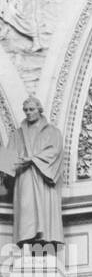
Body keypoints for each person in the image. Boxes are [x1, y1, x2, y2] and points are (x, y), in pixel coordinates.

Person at [8, 95, 64, 247]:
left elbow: (55, 152)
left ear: (39, 110)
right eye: (25, 110)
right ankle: (27, 242)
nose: (28, 113)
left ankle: (43, 243)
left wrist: (33, 159)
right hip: (24, 177)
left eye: (31, 109)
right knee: (26, 210)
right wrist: (14, 163)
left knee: (44, 214)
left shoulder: (53, 131)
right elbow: (7, 163)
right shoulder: (17, 134)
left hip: (42, 178)